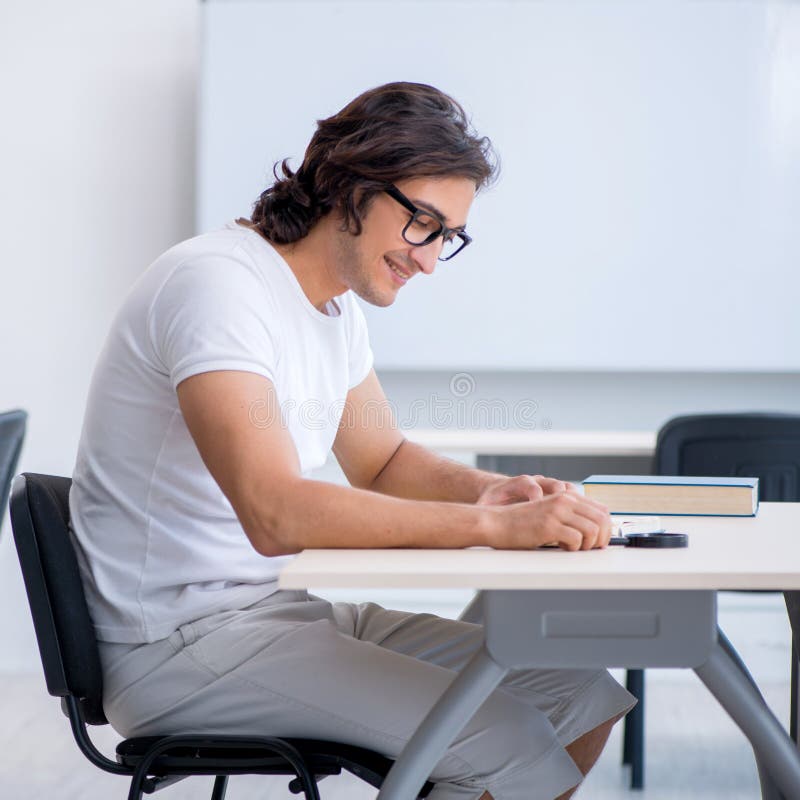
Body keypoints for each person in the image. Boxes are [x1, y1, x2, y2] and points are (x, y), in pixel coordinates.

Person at [70, 81, 635, 800]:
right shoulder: (218, 287)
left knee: (577, 692)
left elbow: (382, 459)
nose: (429, 260)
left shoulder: (333, 312)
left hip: (278, 616)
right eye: (422, 224)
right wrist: (492, 526)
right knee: (510, 737)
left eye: (447, 238)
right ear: (350, 185)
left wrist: (495, 492)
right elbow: (275, 513)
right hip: (179, 648)